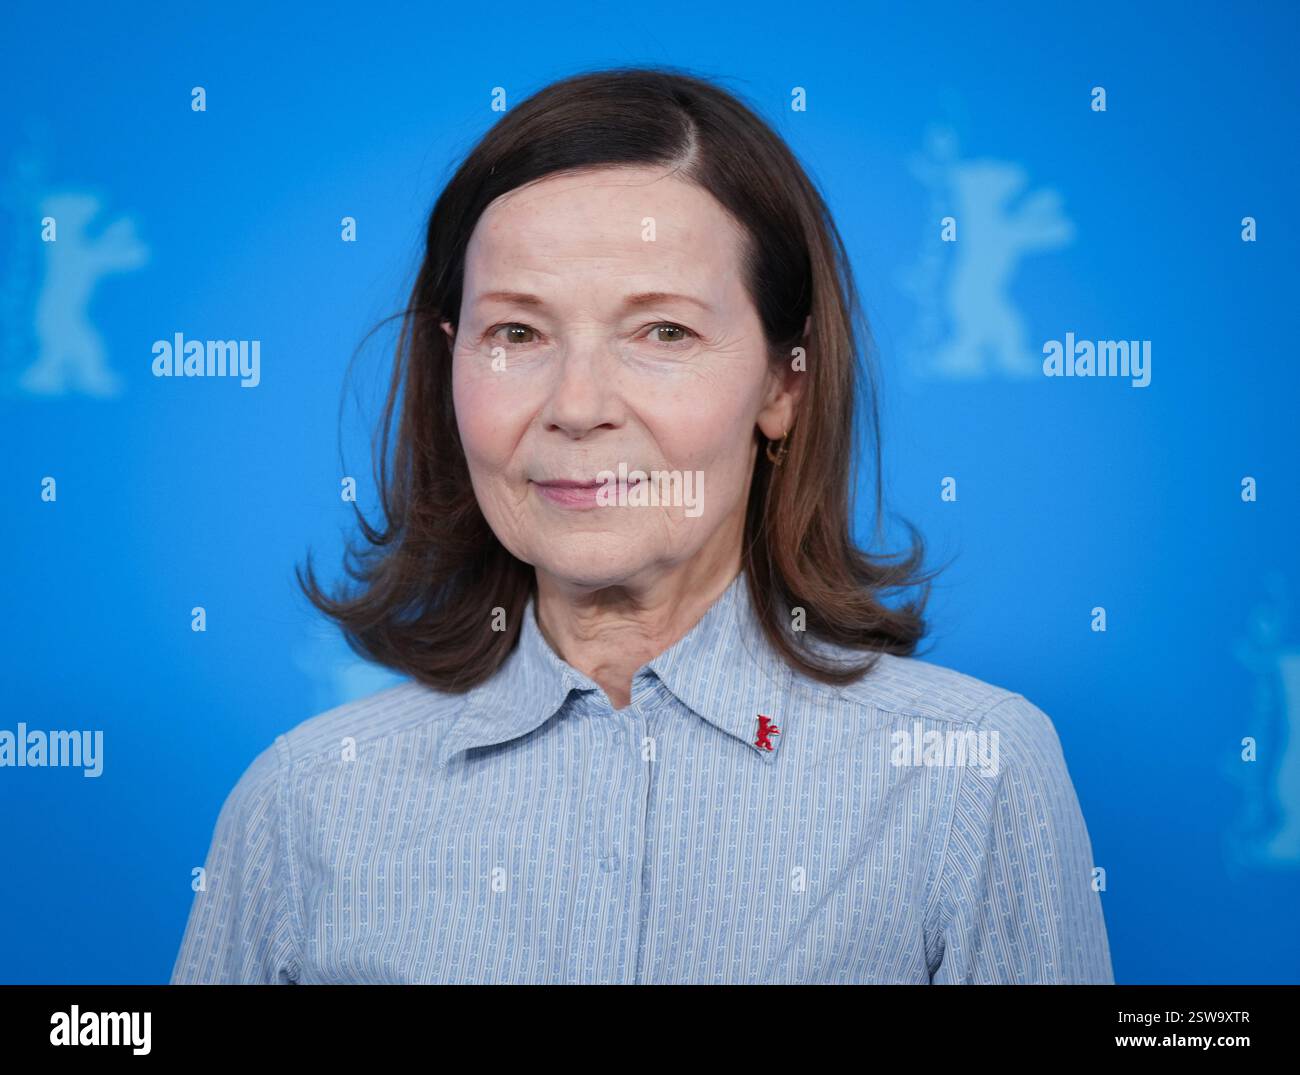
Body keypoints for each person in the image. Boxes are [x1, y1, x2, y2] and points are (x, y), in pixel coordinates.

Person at [171, 66, 1113, 984]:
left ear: (785, 381)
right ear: (451, 367)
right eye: (517, 334)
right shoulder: (300, 804)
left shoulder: (971, 780)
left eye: (662, 332)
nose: (577, 406)